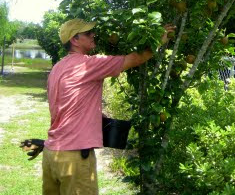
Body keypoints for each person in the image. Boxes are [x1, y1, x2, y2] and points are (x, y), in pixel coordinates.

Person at [22, 18, 174, 195]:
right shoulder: (89, 64)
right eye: (88, 33)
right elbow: (136, 58)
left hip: (51, 154)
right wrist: (158, 40)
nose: (93, 35)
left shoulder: (57, 68)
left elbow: (66, 107)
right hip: (74, 158)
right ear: (74, 39)